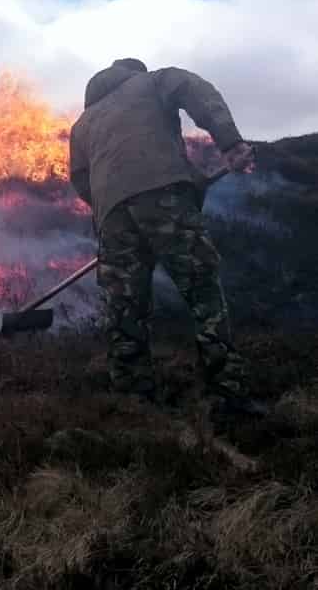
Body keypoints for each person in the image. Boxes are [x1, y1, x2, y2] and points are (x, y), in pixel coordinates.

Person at [69, 58, 263, 421]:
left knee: (126, 308)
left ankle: (133, 402)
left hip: (111, 214)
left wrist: (113, 205)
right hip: (163, 196)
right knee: (202, 291)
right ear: (135, 71)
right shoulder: (152, 82)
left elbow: (80, 178)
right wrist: (230, 142)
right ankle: (228, 395)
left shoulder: (83, 124)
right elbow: (197, 90)